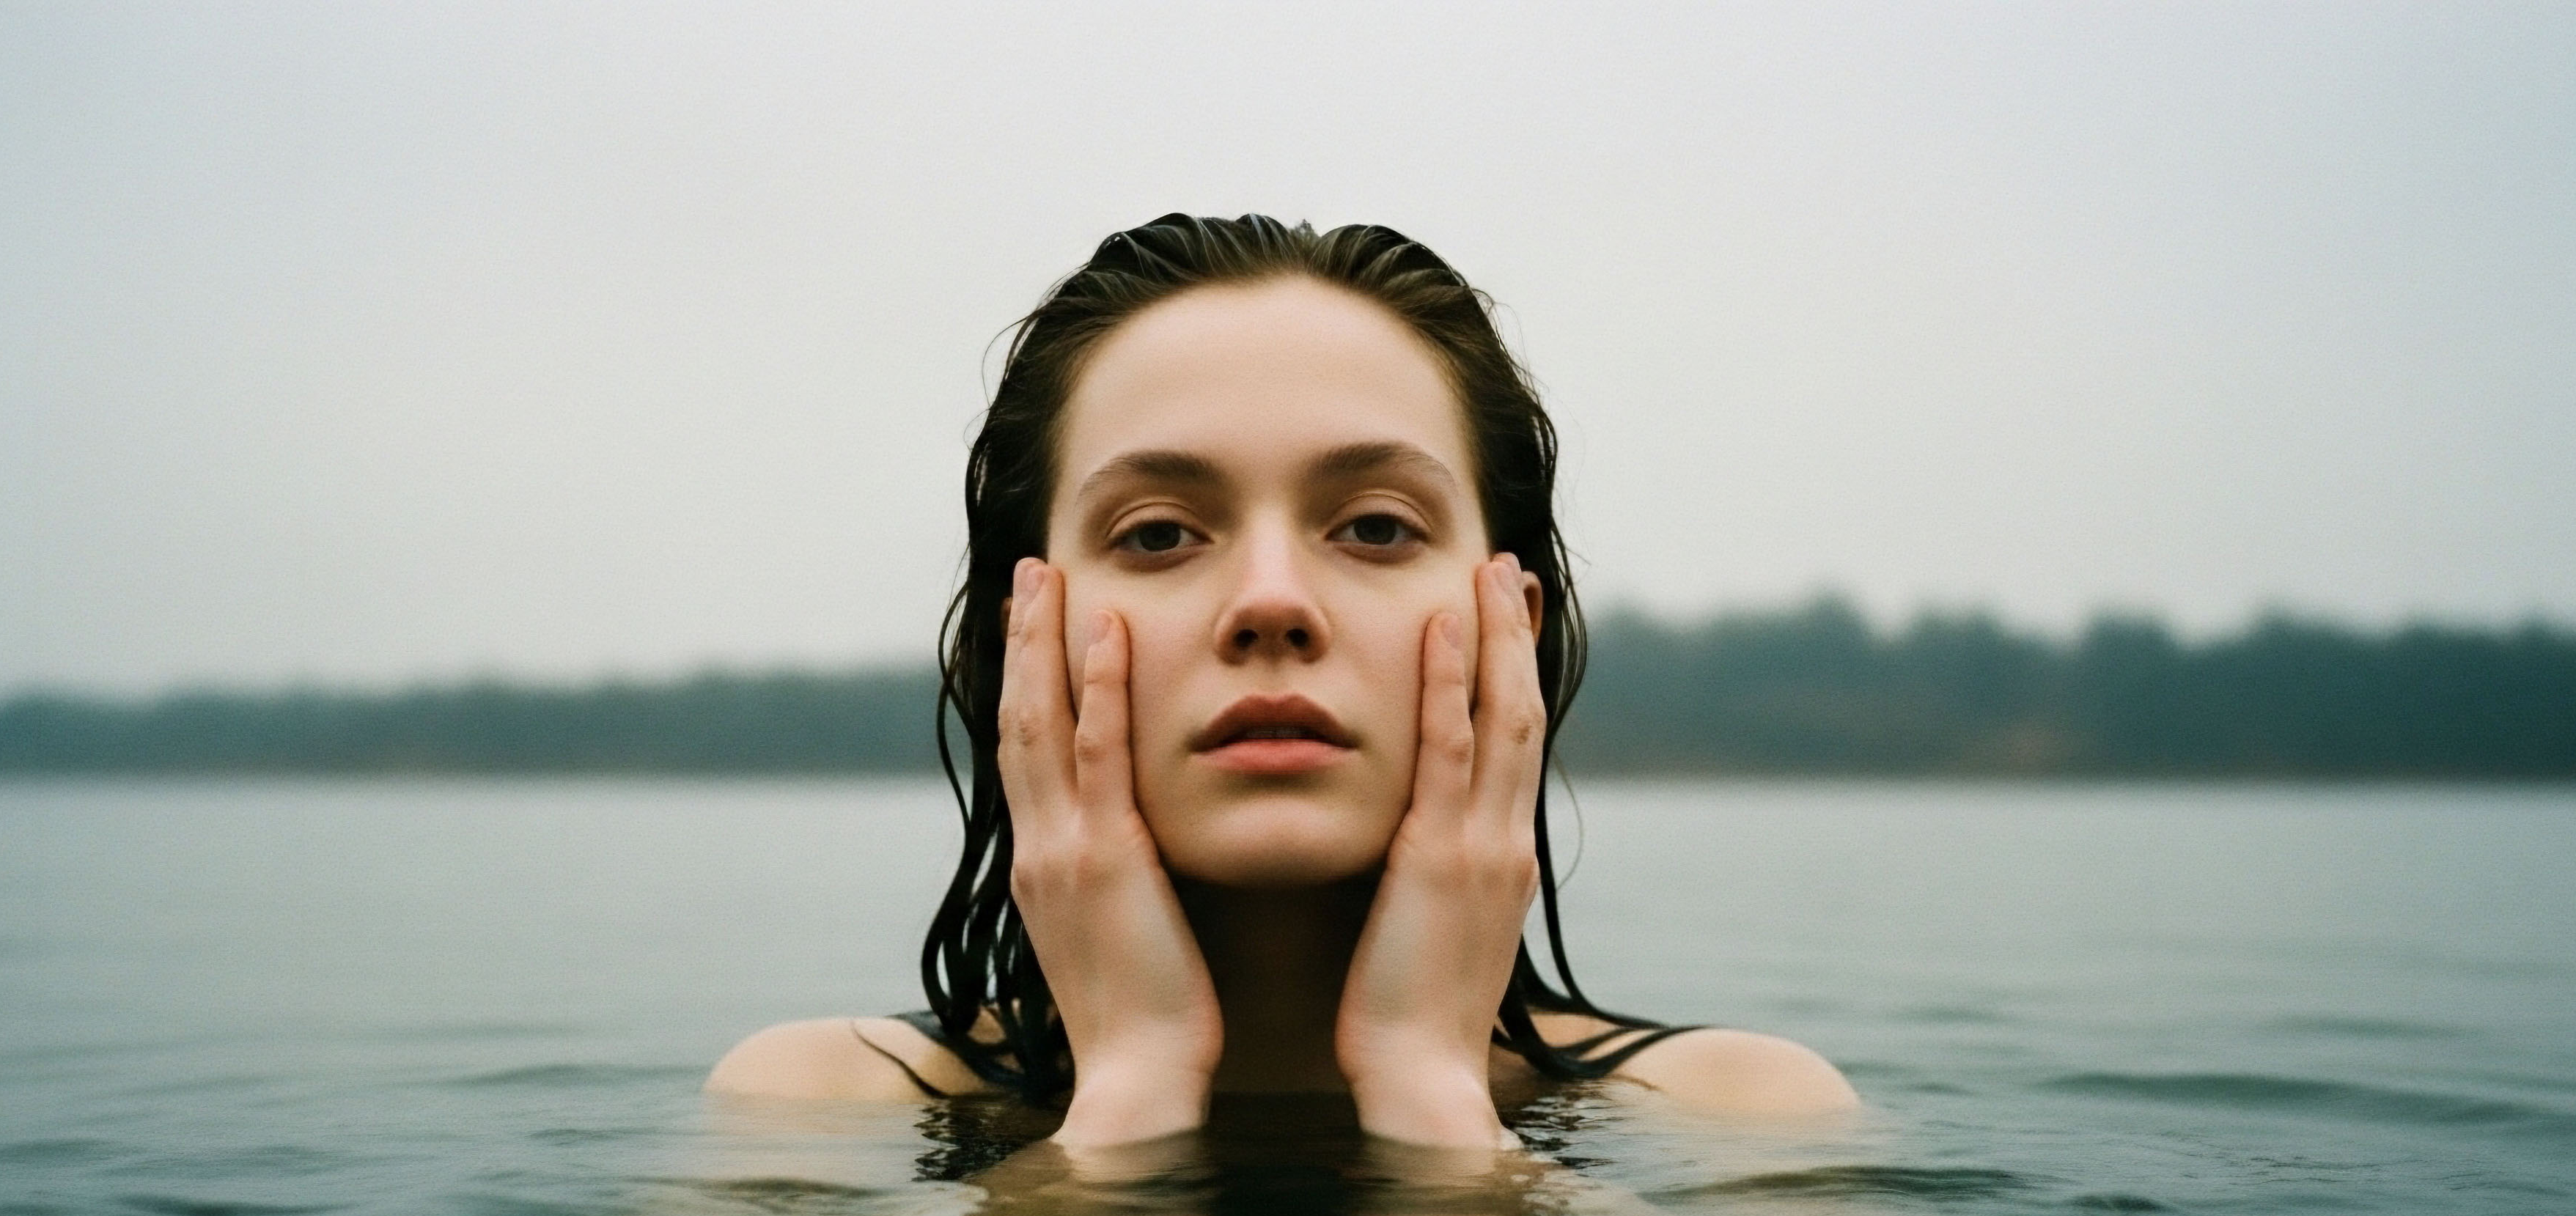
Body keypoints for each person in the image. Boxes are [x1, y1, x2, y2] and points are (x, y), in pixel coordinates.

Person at [710, 214, 1853, 1149]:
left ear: (1513, 624)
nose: (1270, 602)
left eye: (1373, 525)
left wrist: (1427, 1088)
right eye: (1157, 536)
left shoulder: (1744, 1112)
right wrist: (1135, 1083)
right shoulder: (812, 1104)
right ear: (1026, 638)